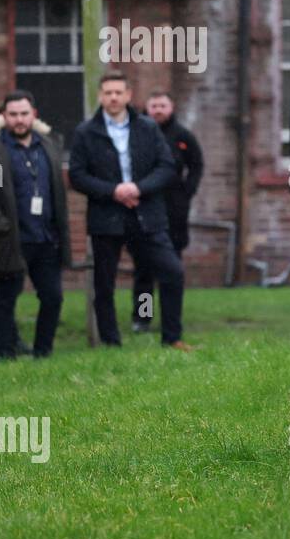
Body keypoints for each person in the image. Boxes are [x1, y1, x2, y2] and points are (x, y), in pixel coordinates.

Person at [68, 72, 192, 351]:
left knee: (172, 271)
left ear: (128, 95)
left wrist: (137, 188)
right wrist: (113, 191)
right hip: (106, 216)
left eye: (118, 92)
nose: (113, 97)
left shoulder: (147, 128)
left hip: (146, 212)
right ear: (100, 96)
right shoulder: (86, 132)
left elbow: (166, 167)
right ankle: (111, 342)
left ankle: (172, 337)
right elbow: (77, 176)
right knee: (104, 282)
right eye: (108, 92)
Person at [0, 92, 71, 359]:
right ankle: (3, 355)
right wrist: (0, 224)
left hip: (45, 239)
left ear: (33, 114)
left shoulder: (47, 147)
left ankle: (43, 352)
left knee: (53, 298)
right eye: (13, 114)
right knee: (5, 300)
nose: (19, 120)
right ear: (4, 117)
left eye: (24, 114)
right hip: (11, 240)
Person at [133, 90, 204, 334]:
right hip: (145, 206)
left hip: (174, 211)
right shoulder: (137, 132)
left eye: (163, 105)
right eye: (154, 106)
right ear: (147, 108)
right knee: (144, 269)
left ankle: (170, 317)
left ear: (171, 107)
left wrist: (187, 192)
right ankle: (143, 317)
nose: (158, 110)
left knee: (172, 268)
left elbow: (196, 165)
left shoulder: (183, 136)